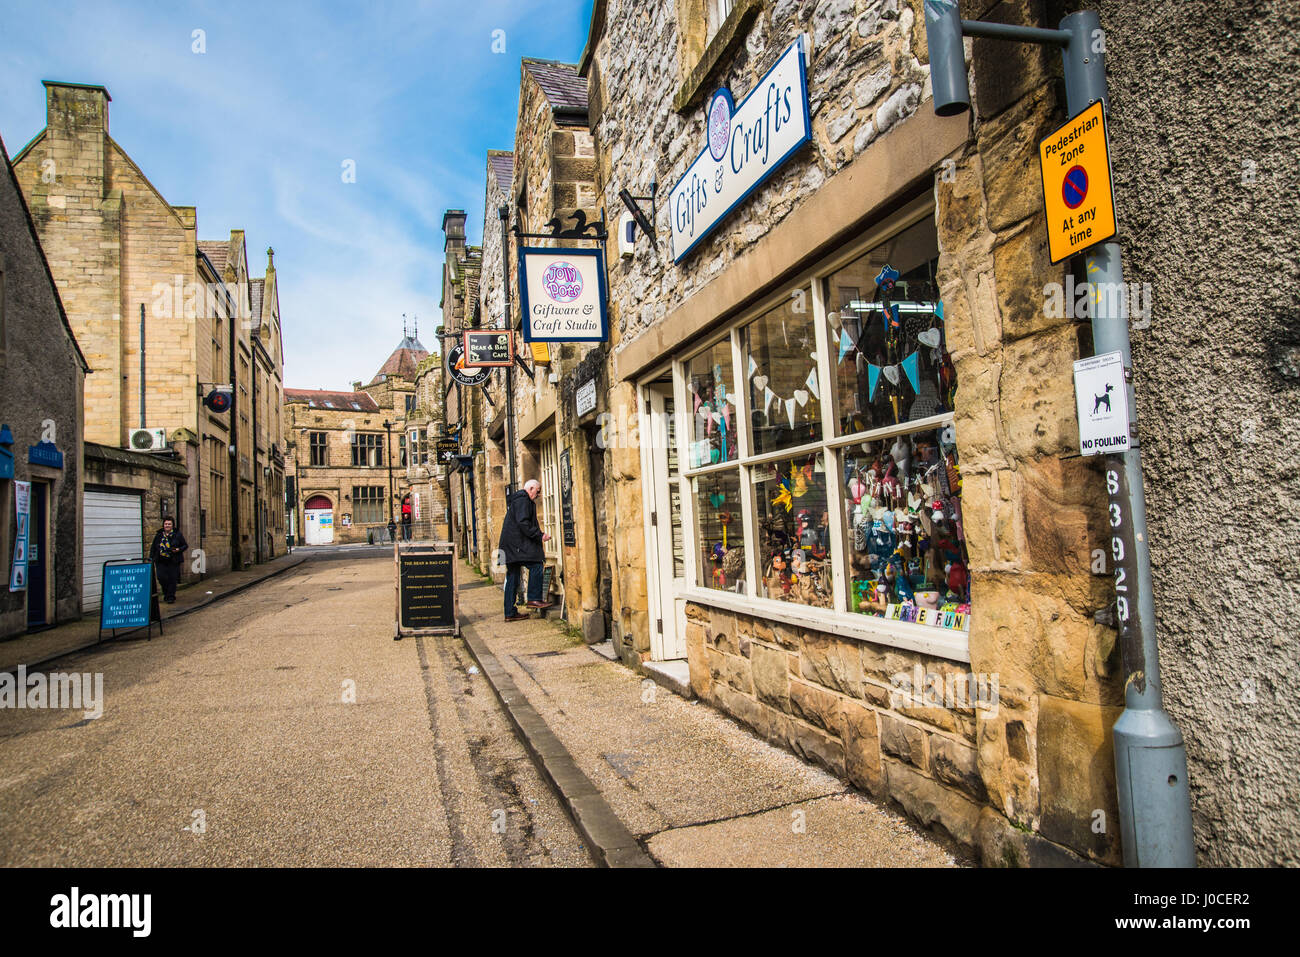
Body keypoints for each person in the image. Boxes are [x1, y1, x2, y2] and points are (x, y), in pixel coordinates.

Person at [499, 479, 551, 621]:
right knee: (536, 565)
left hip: (510, 546)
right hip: (516, 545)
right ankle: (534, 598)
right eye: (538, 491)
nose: (538, 495)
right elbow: (523, 523)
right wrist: (540, 535)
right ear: (531, 488)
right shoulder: (523, 500)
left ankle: (509, 612)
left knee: (512, 578)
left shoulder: (518, 500)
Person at [149, 517, 188, 604]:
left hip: (173, 560)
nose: (167, 525)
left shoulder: (177, 534)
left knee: (172, 579)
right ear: (163, 525)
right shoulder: (159, 535)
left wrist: (178, 549)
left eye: (169, 524)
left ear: (172, 525)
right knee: (161, 578)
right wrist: (151, 558)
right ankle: (166, 593)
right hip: (160, 560)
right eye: (166, 524)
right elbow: (153, 548)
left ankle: (170, 597)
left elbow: (185, 545)